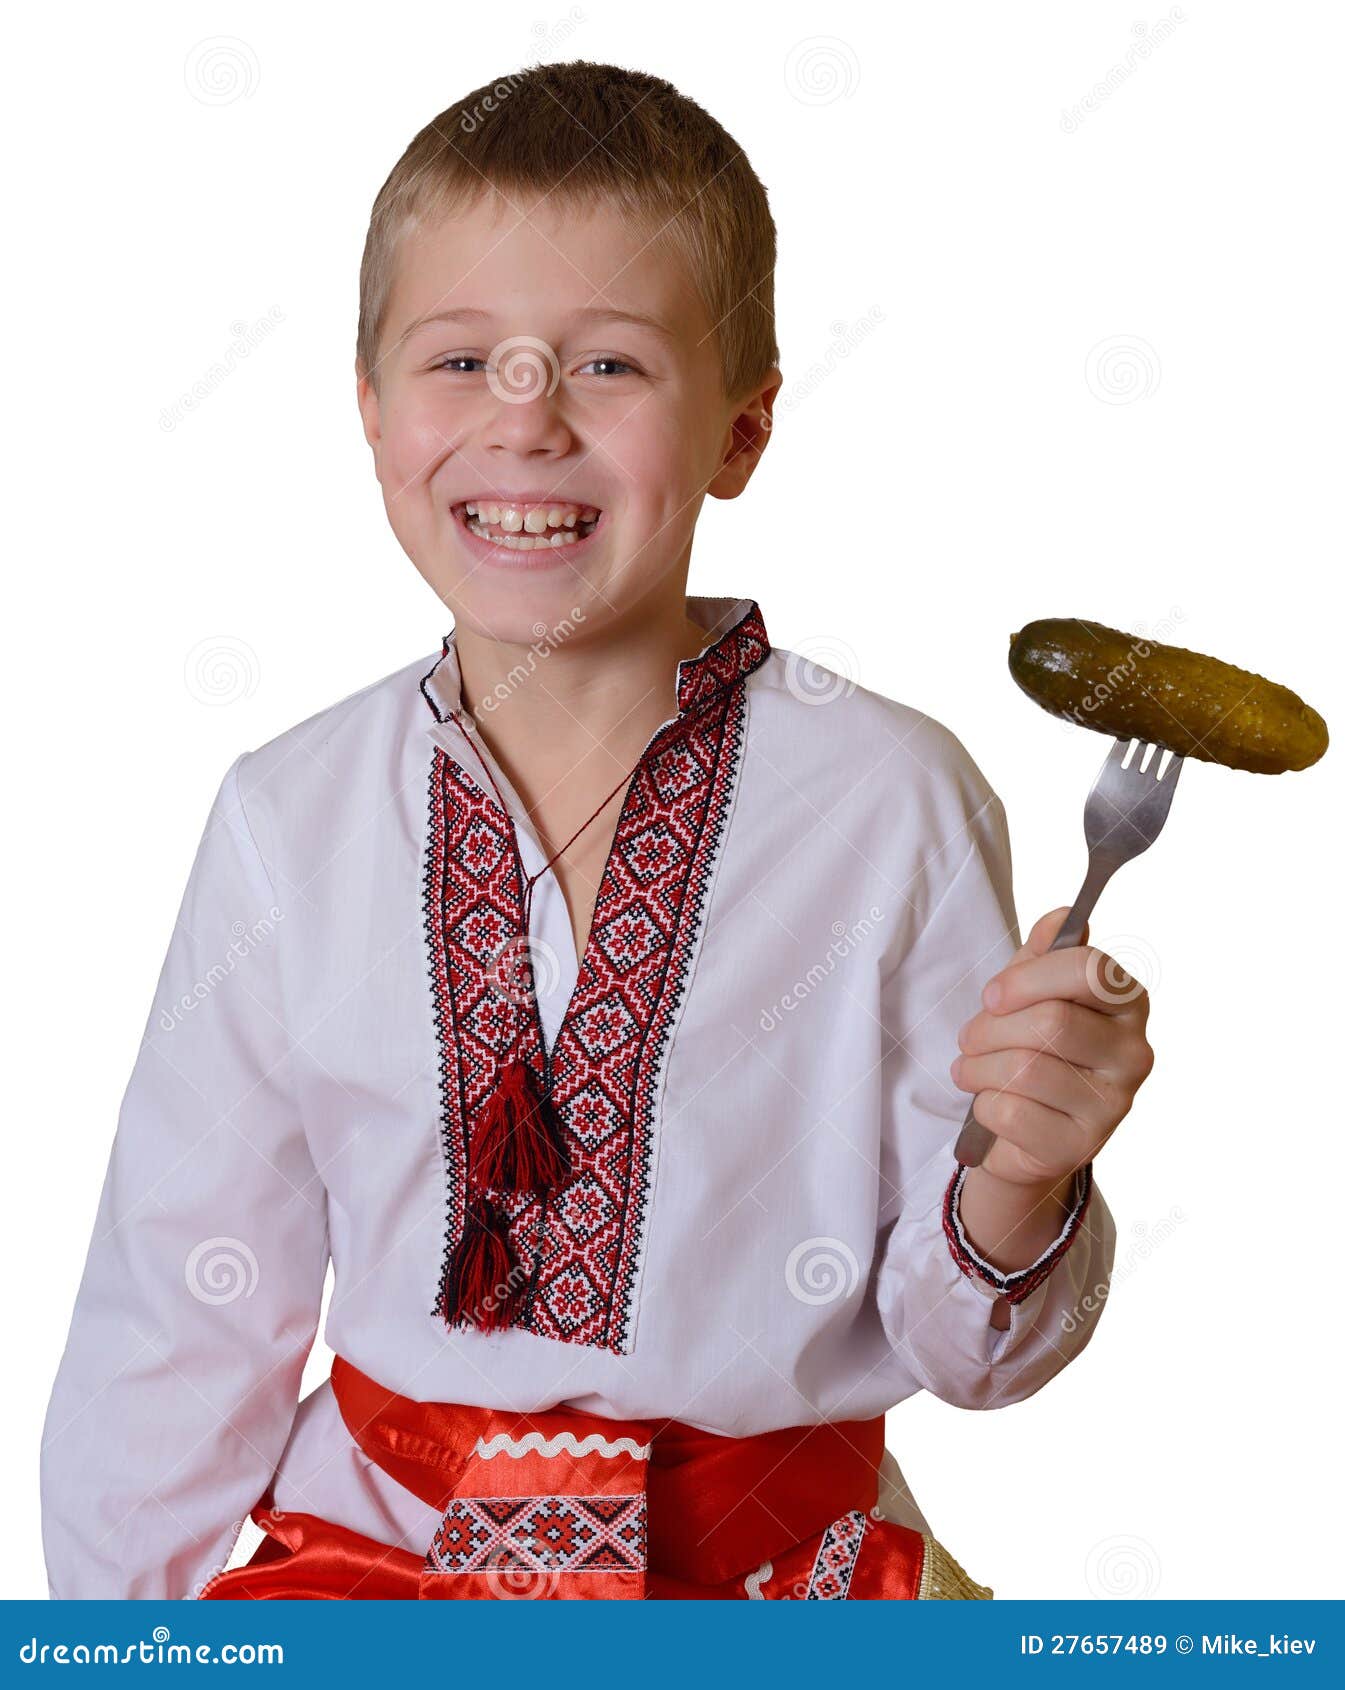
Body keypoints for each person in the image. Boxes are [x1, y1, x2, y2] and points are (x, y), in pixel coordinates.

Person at [40, 60, 1147, 1602]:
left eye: (610, 365)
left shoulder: (890, 799)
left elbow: (968, 1356)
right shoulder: (285, 816)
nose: (527, 420)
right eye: (461, 360)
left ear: (742, 428)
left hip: (788, 1575)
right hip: (381, 1564)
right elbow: (177, 1307)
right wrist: (112, 1632)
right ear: (369, 415)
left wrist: (1020, 1173)